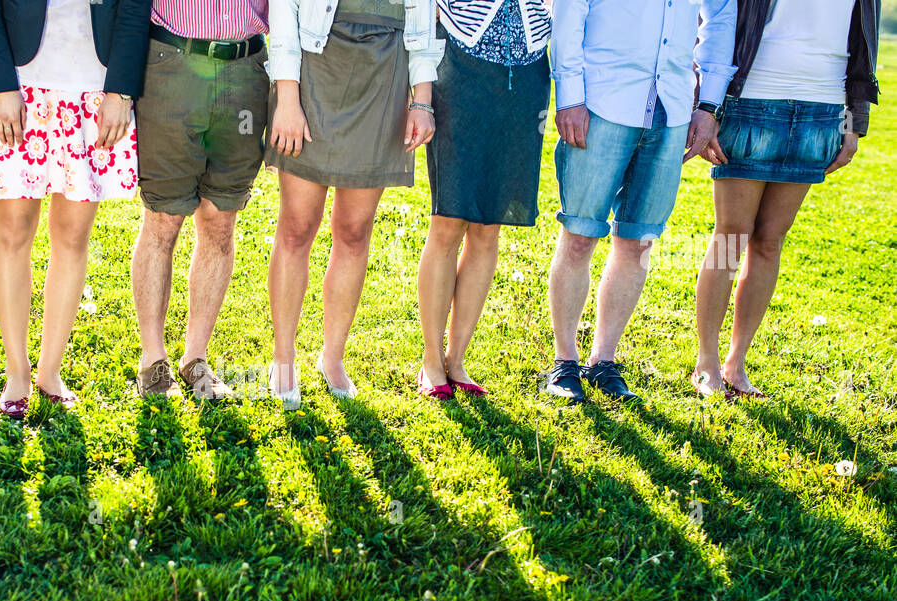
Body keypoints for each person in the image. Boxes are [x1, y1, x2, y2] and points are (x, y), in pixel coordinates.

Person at [545, 0, 736, 404]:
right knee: (579, 234)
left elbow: (721, 18)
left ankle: (604, 362)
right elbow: (568, 12)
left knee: (639, 240)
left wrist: (708, 104)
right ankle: (565, 362)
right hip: (600, 101)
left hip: (672, 108)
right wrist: (569, 95)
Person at [0, 0, 149, 416]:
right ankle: (17, 372)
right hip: (19, 86)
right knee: (12, 233)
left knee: (72, 237)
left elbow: (135, 8)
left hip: (95, 93)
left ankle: (50, 371)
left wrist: (121, 91)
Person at [691, 0, 880, 400]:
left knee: (770, 241)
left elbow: (863, 44)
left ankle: (736, 364)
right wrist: (709, 103)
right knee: (731, 236)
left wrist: (853, 123)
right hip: (751, 99)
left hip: (822, 109)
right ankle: (706, 362)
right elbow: (717, 24)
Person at [266, 0, 442, 410]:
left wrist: (422, 100)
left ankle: (332, 357)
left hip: (383, 72)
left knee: (354, 230)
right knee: (297, 226)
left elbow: (422, 23)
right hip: (315, 67)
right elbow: (283, 9)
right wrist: (287, 97)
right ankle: (284, 359)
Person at [129, 0, 270, 400]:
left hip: (245, 70)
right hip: (173, 63)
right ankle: (152, 361)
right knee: (163, 216)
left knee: (221, 218)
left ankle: (196, 359)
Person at [414, 0, 552, 401]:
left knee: (489, 226)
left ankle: (456, 360)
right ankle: (430, 360)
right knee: (449, 218)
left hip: (527, 71)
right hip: (461, 62)